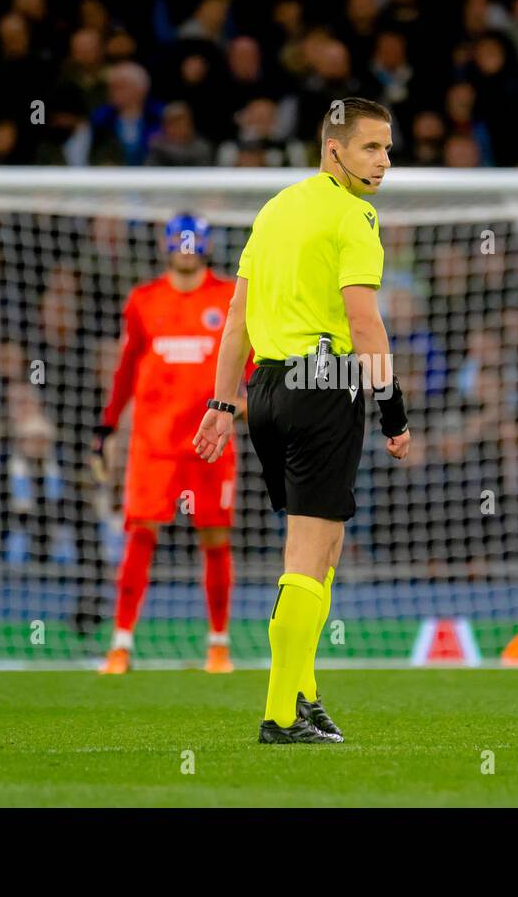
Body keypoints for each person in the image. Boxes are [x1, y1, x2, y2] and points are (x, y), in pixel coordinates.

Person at [193, 97, 411, 744]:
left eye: (389, 148)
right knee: (307, 558)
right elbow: (364, 321)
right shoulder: (354, 216)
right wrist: (393, 409)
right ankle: (280, 715)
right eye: (372, 147)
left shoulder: (276, 208)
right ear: (334, 148)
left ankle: (304, 694)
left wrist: (222, 401)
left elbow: (237, 317)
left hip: (268, 389)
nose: (384, 161)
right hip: (326, 384)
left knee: (323, 547)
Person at [94, 214, 251, 675]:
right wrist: (106, 426)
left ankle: (218, 645)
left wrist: (251, 404)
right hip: (153, 444)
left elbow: (251, 361)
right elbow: (125, 370)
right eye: (179, 241)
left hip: (210, 442)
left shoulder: (229, 298)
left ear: (207, 246)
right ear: (165, 246)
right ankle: (121, 645)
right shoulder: (144, 301)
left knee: (216, 539)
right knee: (139, 535)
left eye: (194, 241)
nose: (186, 248)